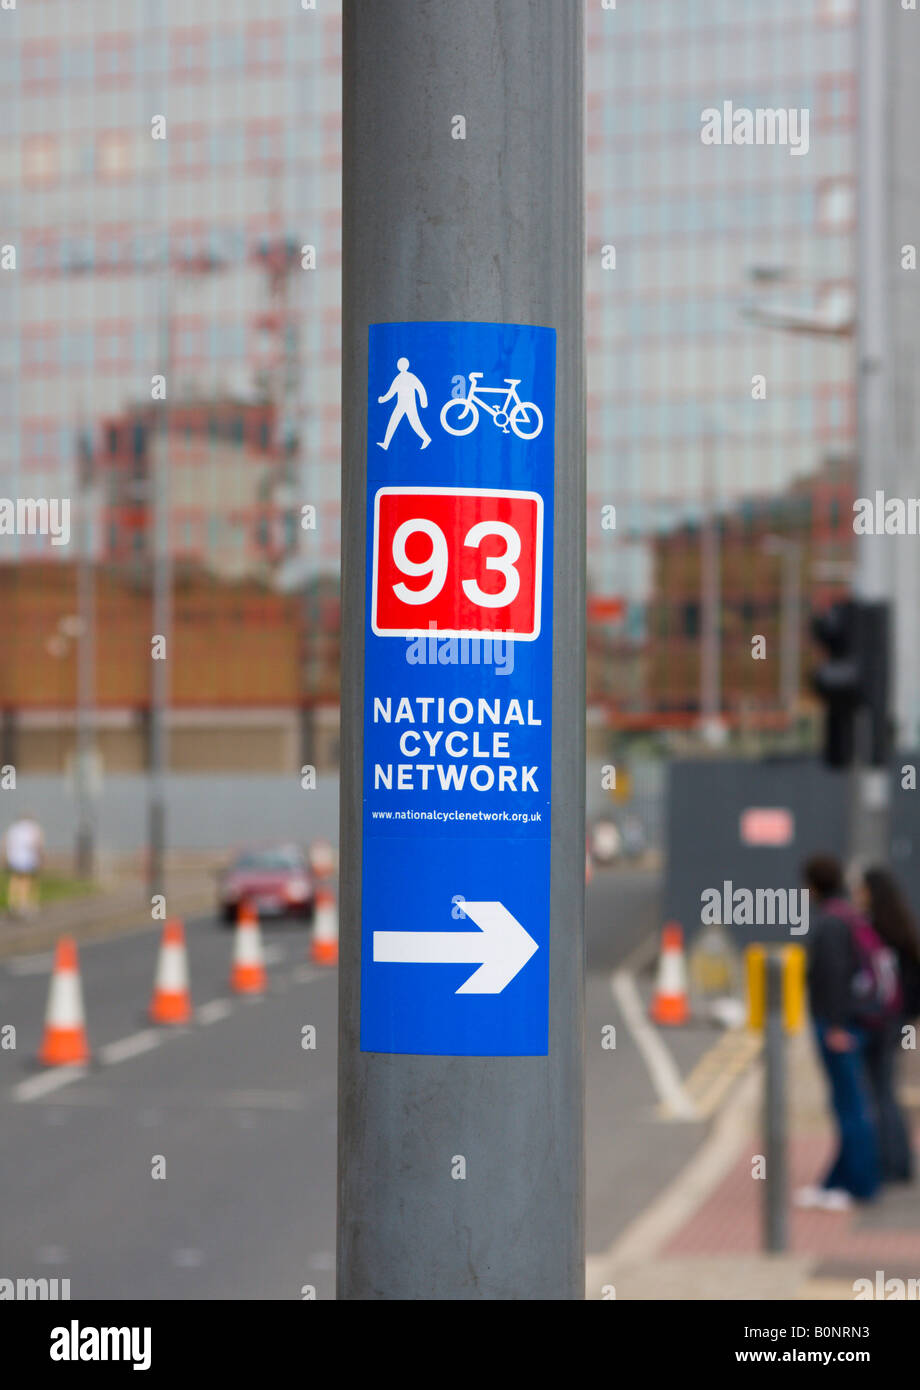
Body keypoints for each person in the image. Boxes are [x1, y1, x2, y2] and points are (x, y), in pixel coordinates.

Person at [795, 853, 880, 1210]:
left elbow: (831, 977)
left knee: (849, 1106)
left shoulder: (830, 924)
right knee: (848, 1104)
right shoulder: (849, 916)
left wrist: (834, 1026)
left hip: (837, 1027)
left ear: (812, 886)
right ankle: (837, 1181)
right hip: (850, 1023)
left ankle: (857, 1185)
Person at [851, 865, 920, 1184]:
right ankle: (900, 1160)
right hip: (899, 1020)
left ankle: (888, 1162)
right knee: (889, 1090)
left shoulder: (871, 930)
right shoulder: (902, 926)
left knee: (878, 1091)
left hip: (880, 1020)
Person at [5, 812, 44, 917]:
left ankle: (13, 904)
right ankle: (23, 904)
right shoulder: (33, 828)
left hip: (14, 858)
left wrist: (7, 857)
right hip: (28, 858)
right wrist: (40, 857)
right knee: (26, 881)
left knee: (14, 880)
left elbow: (7, 843)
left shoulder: (14, 828)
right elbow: (37, 843)